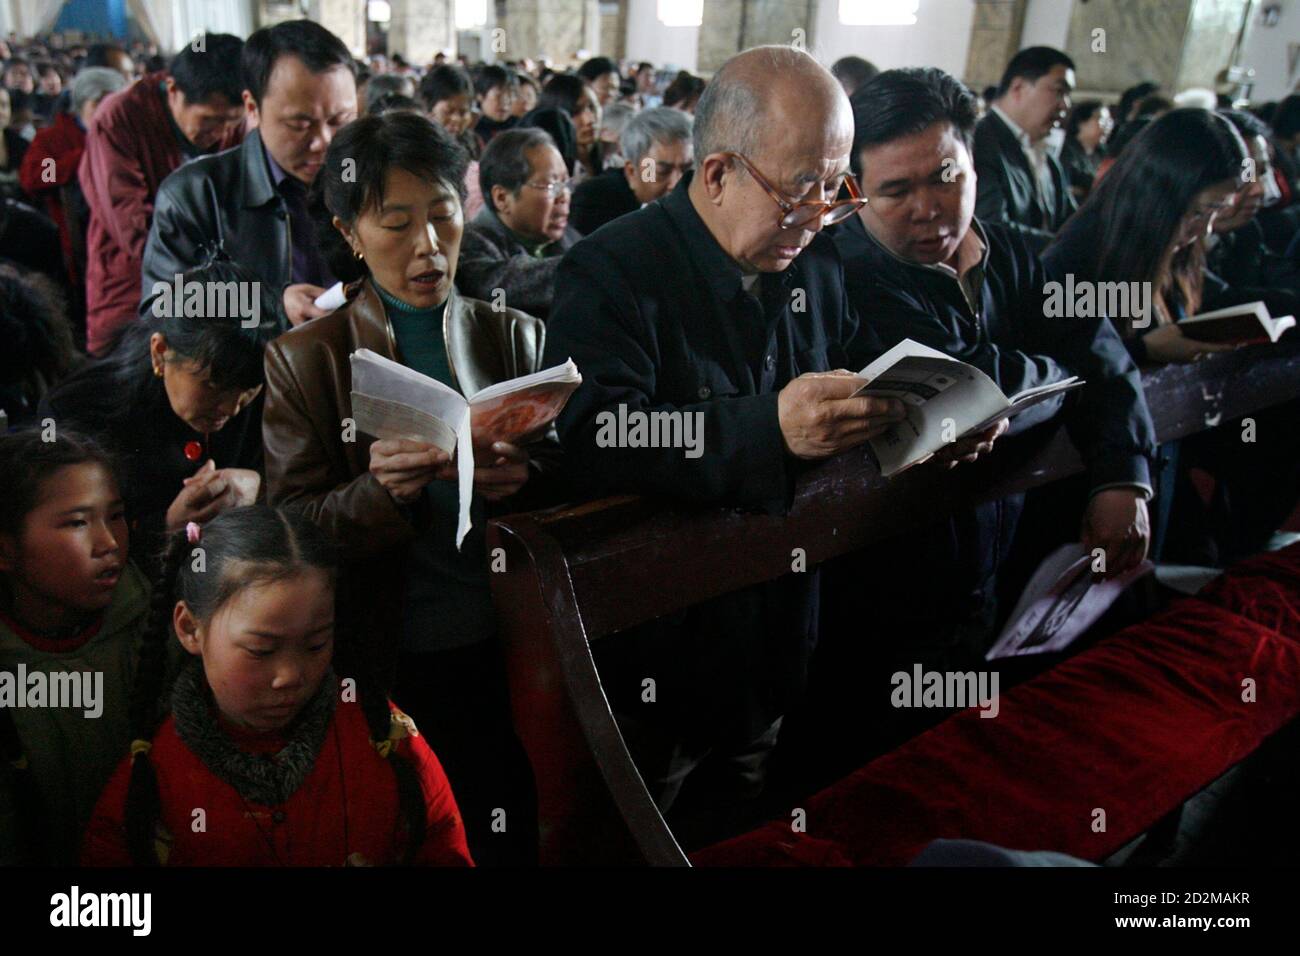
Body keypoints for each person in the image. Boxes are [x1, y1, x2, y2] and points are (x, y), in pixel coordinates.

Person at [541, 46, 993, 842]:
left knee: (747, 834)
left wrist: (932, 418)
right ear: (716, 174)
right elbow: (601, 432)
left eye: (835, 188)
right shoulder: (612, 269)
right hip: (658, 651)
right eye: (800, 190)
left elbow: (857, 375)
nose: (820, 216)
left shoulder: (812, 261)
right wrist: (764, 428)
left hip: (778, 635)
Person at [261, 111, 546, 866]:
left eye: (444, 216)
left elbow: (565, 487)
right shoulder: (307, 360)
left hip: (504, 642)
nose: (428, 246)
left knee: (504, 818)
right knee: (402, 828)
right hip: (387, 652)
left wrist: (523, 479)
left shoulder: (513, 335)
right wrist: (379, 492)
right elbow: (287, 530)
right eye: (396, 224)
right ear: (351, 234)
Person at [832, 67, 1155, 691]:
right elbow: (965, 377)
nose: (928, 208)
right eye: (896, 190)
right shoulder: (841, 276)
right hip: (884, 585)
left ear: (975, 163)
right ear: (857, 191)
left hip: (1000, 560)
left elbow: (1102, 352)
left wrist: (1124, 477)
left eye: (945, 177)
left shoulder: (1012, 252)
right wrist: (1059, 374)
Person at [81, 505, 473, 866]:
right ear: (189, 628)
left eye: (316, 644)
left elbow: (443, 844)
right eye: (261, 649)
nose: (290, 676)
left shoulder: (383, 736)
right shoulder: (152, 776)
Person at [1045, 108, 1299, 564]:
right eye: (1198, 212)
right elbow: (1080, 364)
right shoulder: (1081, 259)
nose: (1203, 230)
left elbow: (1220, 299)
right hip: (1089, 470)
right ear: (1160, 195)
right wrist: (1147, 348)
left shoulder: (1172, 246)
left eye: (1215, 212)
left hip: (1157, 443)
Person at [41, 259, 282, 577]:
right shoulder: (78, 413)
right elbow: (57, 542)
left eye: (248, 390)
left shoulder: (274, 393)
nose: (232, 408)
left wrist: (261, 489)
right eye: (212, 386)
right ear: (160, 352)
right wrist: (164, 526)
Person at [140, 19, 358, 330]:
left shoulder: (369, 177)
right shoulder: (197, 194)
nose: (323, 141)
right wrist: (269, 303)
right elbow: (161, 303)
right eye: (300, 124)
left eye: (340, 119)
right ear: (252, 108)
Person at [0, 431, 148, 865]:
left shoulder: (155, 629)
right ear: (5, 550)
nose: (109, 544)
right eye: (77, 523)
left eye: (116, 515)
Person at [80, 34, 246, 355]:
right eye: (210, 121)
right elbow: (133, 226)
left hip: (215, 293)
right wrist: (209, 279)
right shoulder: (119, 119)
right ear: (173, 91)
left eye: (231, 122)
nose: (222, 133)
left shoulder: (234, 124)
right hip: (133, 287)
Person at [456, 128, 581, 318]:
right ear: (502, 198)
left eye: (565, 184)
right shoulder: (470, 245)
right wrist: (592, 264)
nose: (563, 196)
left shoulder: (569, 238)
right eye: (551, 185)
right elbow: (498, 290)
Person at [18, 67, 126, 287]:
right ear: (83, 105)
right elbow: (39, 176)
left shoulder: (126, 136)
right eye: (99, 105)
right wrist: (84, 155)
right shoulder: (53, 139)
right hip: (73, 242)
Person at [974, 46, 1077, 248]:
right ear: (1018, 88)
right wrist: (1064, 248)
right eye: (1059, 91)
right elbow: (989, 228)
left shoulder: (1047, 157)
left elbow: (1072, 221)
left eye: (1068, 95)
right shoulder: (978, 142)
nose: (1065, 105)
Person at [570, 106, 692, 235]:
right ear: (632, 171)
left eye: (687, 169)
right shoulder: (593, 203)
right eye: (662, 171)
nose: (677, 183)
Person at [538, 73, 601, 178]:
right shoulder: (546, 173)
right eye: (575, 112)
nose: (589, 120)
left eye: (592, 107)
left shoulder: (613, 161)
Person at [1060, 100, 1112, 201]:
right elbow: (1065, 189)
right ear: (1081, 123)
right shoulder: (1066, 151)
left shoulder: (1103, 153)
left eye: (1109, 121)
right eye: (1102, 120)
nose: (1107, 126)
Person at [472, 64, 517, 144]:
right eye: (498, 95)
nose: (505, 102)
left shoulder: (520, 126)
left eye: (511, 95)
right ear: (480, 96)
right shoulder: (472, 129)